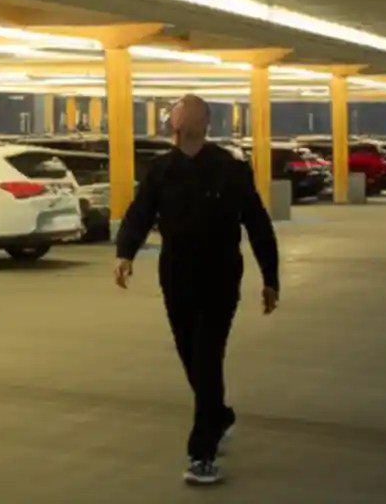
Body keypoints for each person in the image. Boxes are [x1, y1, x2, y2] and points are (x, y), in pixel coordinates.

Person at [114, 94, 280, 486]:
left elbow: (257, 224)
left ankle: (201, 453)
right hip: (176, 276)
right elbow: (140, 213)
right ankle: (218, 415)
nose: (184, 116)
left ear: (205, 122)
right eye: (179, 110)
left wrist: (270, 278)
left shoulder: (230, 169)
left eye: (193, 111)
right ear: (173, 122)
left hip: (220, 277)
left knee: (207, 357)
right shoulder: (160, 170)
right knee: (190, 353)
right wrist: (125, 254)